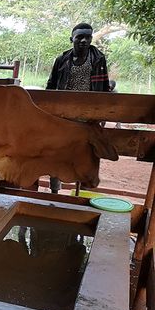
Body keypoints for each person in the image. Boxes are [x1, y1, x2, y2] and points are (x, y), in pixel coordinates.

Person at [46, 22, 111, 194]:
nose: (83, 40)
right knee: (57, 153)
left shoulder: (98, 60)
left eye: (87, 37)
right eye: (79, 37)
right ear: (71, 39)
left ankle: (79, 192)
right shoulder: (62, 60)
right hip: (64, 116)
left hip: (87, 116)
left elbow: (103, 88)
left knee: (85, 155)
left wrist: (100, 115)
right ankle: (55, 191)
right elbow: (51, 86)